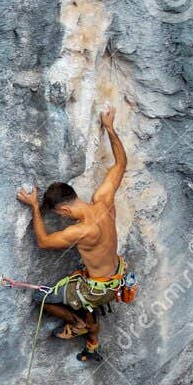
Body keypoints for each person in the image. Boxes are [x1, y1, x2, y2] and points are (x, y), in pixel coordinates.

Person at [15, 108, 129, 362]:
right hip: (116, 277)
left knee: (42, 298)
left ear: (65, 209)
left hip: (97, 289)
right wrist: (109, 127)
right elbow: (121, 163)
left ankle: (77, 324)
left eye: (59, 214)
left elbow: (44, 242)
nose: (62, 217)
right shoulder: (103, 200)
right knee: (87, 298)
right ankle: (92, 344)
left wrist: (34, 207)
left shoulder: (80, 231)